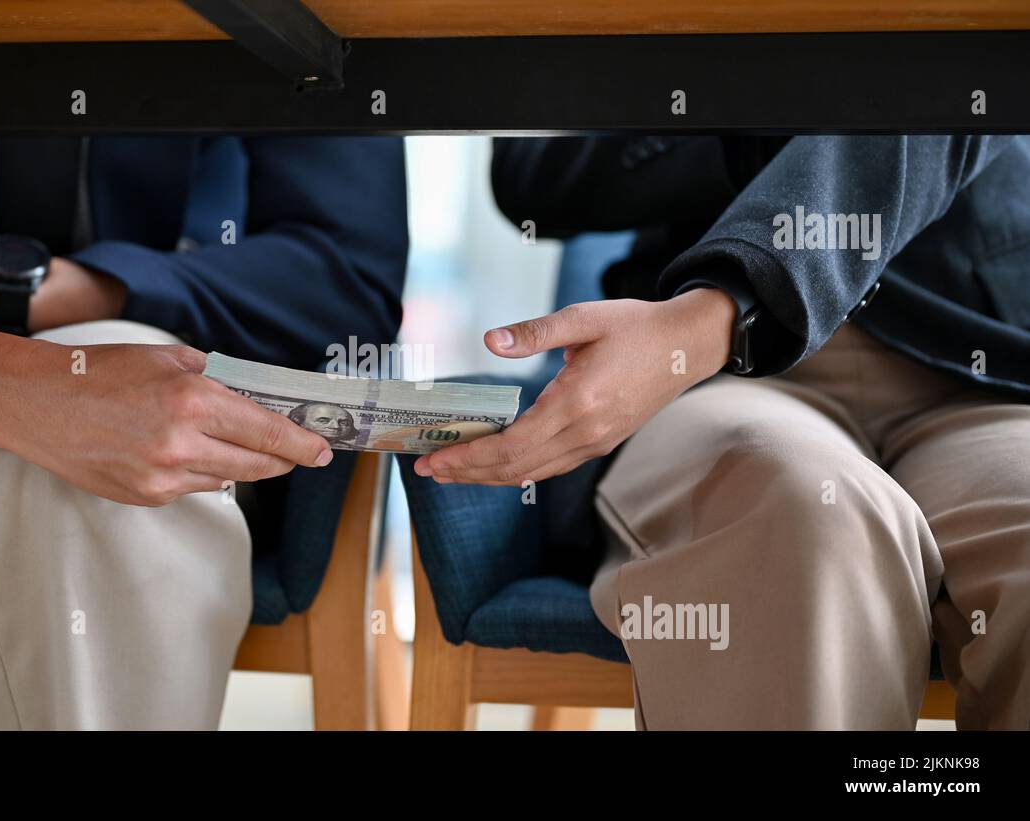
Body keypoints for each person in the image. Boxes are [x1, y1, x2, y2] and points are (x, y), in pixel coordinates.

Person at [0, 135, 407, 729]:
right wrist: (27, 391)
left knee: (116, 467)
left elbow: (344, 272)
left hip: (150, 362)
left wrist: (2, 292)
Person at [417, 135, 1030, 729]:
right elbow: (532, 170)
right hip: (716, 379)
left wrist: (726, 303)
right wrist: (762, 106)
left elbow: (962, 82)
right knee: (800, 512)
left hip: (984, 368)